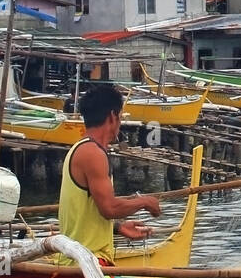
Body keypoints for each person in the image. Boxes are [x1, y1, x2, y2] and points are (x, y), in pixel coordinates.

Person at [54, 83, 163, 266]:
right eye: (120, 116)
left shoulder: (81, 148)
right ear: (113, 116)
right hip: (87, 264)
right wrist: (145, 202)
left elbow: (89, 211)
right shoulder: (92, 153)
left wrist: (119, 227)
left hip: (83, 260)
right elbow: (109, 209)